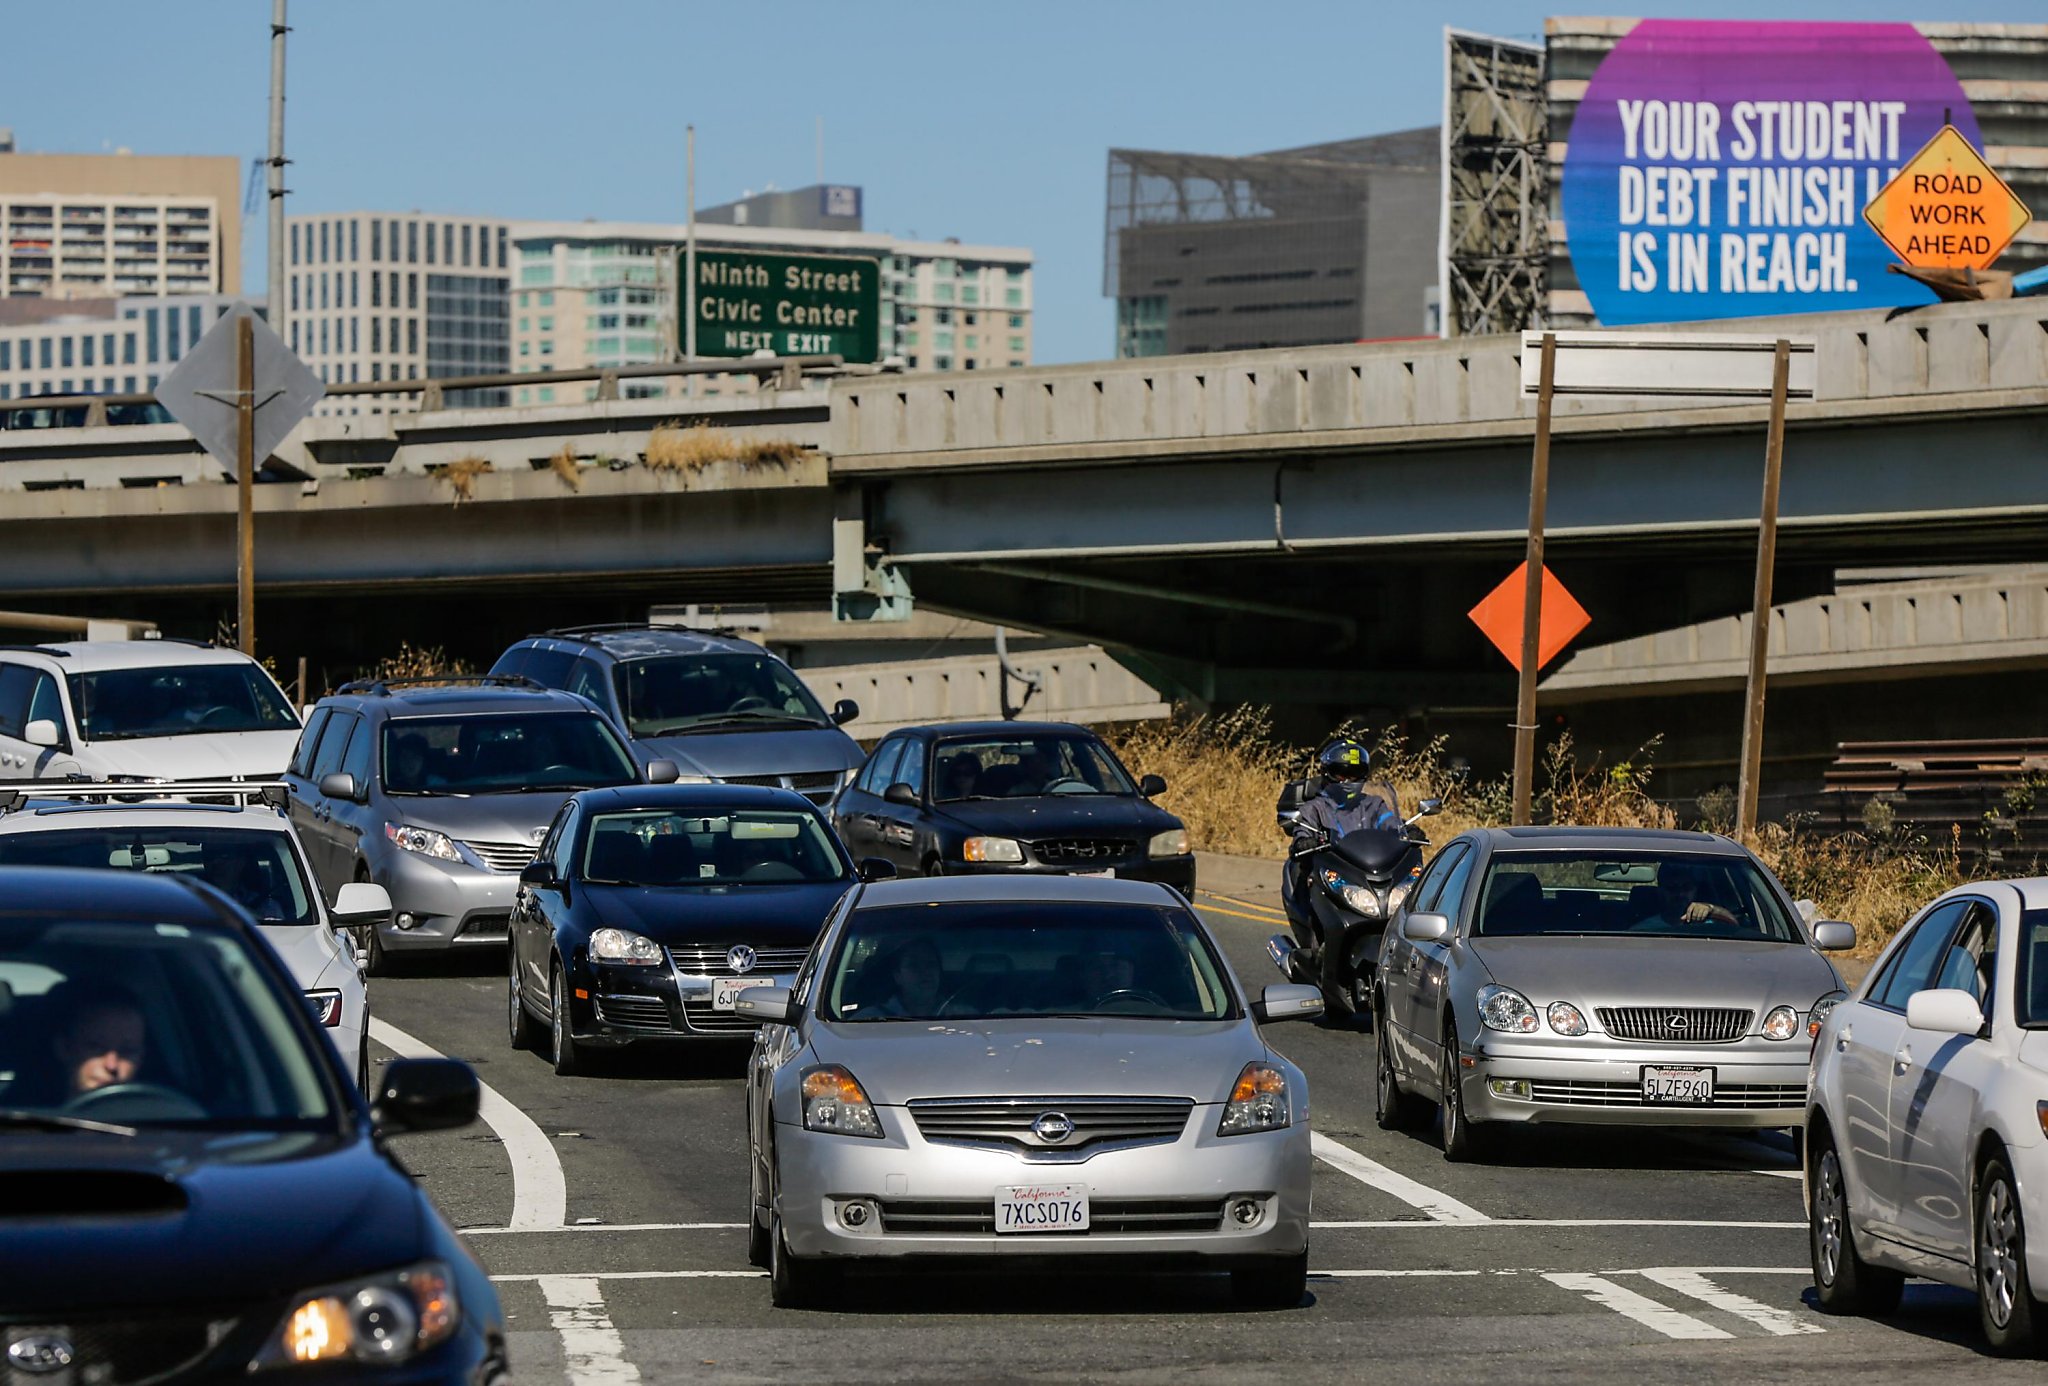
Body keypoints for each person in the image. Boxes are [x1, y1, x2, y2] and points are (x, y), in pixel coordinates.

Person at [43, 982, 148, 1102]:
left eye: (127, 1051)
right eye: (96, 1048)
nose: (112, 1066)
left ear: (141, 1056)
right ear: (63, 1048)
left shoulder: (160, 1113)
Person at [1292, 739, 1401, 844]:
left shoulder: (1373, 805)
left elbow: (1390, 822)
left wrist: (1407, 829)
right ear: (1326, 772)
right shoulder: (1315, 809)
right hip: (1329, 862)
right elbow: (1302, 831)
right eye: (1342, 774)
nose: (1348, 781)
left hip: (1371, 861)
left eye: (1353, 775)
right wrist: (1304, 841)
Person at [1634, 863, 1739, 931]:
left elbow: (1737, 930)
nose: (1680, 894)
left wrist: (1712, 909)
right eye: (1672, 888)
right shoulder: (1643, 930)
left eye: (1686, 888)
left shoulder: (1712, 926)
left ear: (1695, 890)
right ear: (1660, 891)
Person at [868, 938, 946, 1018]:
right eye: (913, 965)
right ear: (897, 976)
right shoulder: (868, 1019)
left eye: (931, 964)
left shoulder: (955, 1013)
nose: (925, 971)